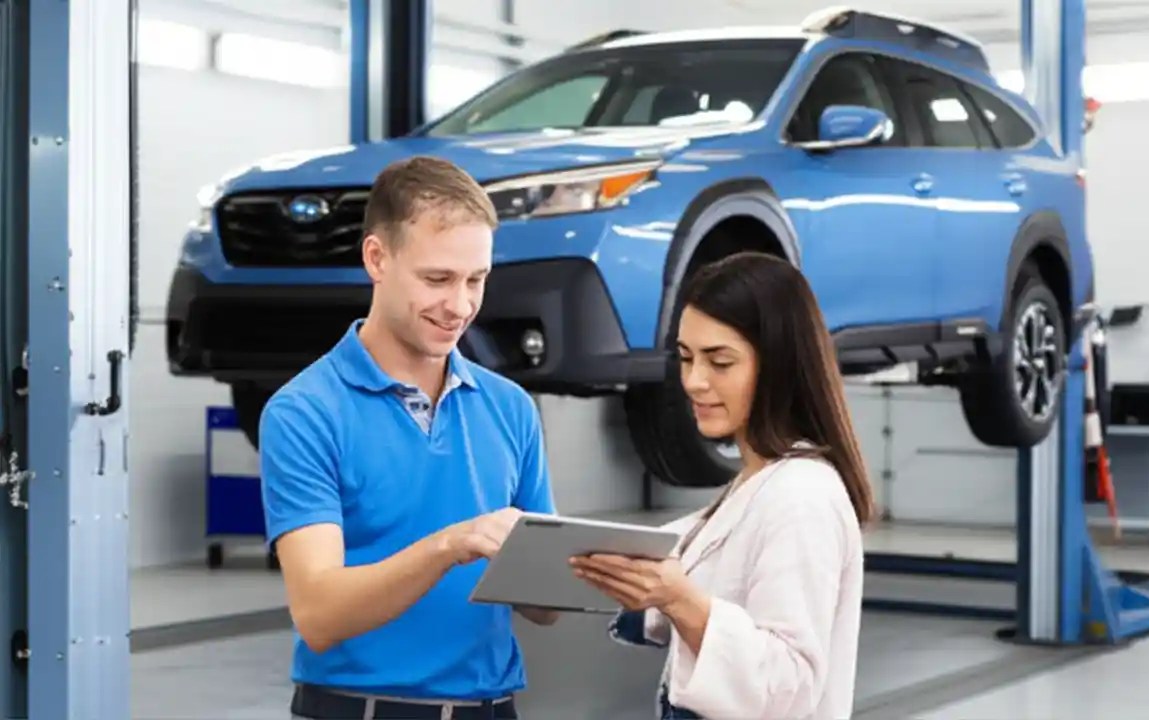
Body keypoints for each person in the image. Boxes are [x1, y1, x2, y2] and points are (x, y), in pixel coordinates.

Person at [258, 156, 558, 720]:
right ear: (377, 257)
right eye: (437, 279)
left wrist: (605, 573)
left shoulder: (510, 407)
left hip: (492, 709)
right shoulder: (305, 413)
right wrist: (451, 546)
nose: (461, 305)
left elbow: (545, 609)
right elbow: (320, 615)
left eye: (477, 280)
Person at [570, 251, 872, 720]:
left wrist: (678, 598)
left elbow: (787, 686)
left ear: (778, 365)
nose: (694, 381)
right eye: (687, 358)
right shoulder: (759, 483)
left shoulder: (801, 497)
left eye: (720, 362)